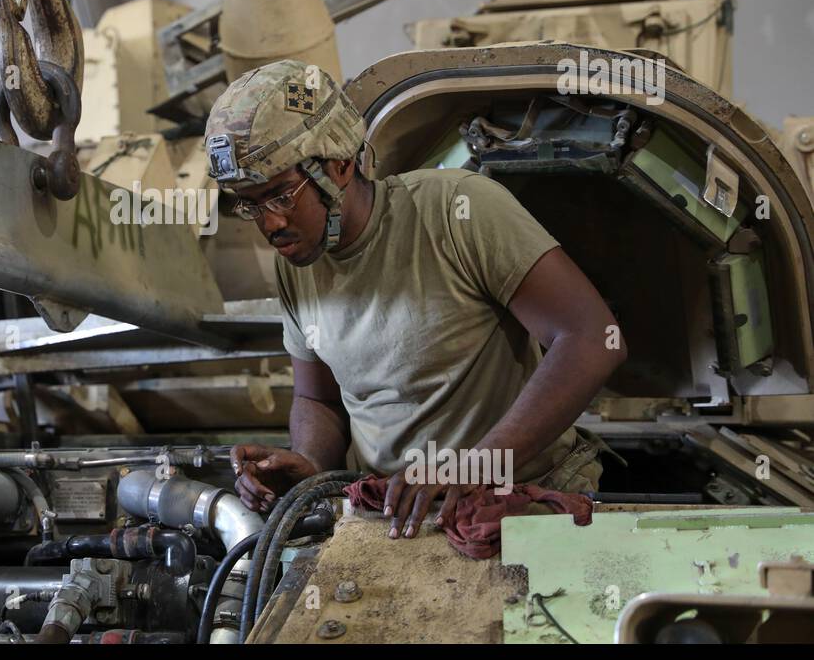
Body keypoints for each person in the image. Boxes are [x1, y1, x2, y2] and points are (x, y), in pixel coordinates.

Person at [207, 60, 627, 539]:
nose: (269, 224)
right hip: (392, 513)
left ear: (339, 165)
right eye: (250, 204)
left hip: (517, 500)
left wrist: (475, 467)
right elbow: (317, 397)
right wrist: (309, 464)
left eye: (280, 195)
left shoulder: (456, 211)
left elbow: (593, 338)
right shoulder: (297, 266)